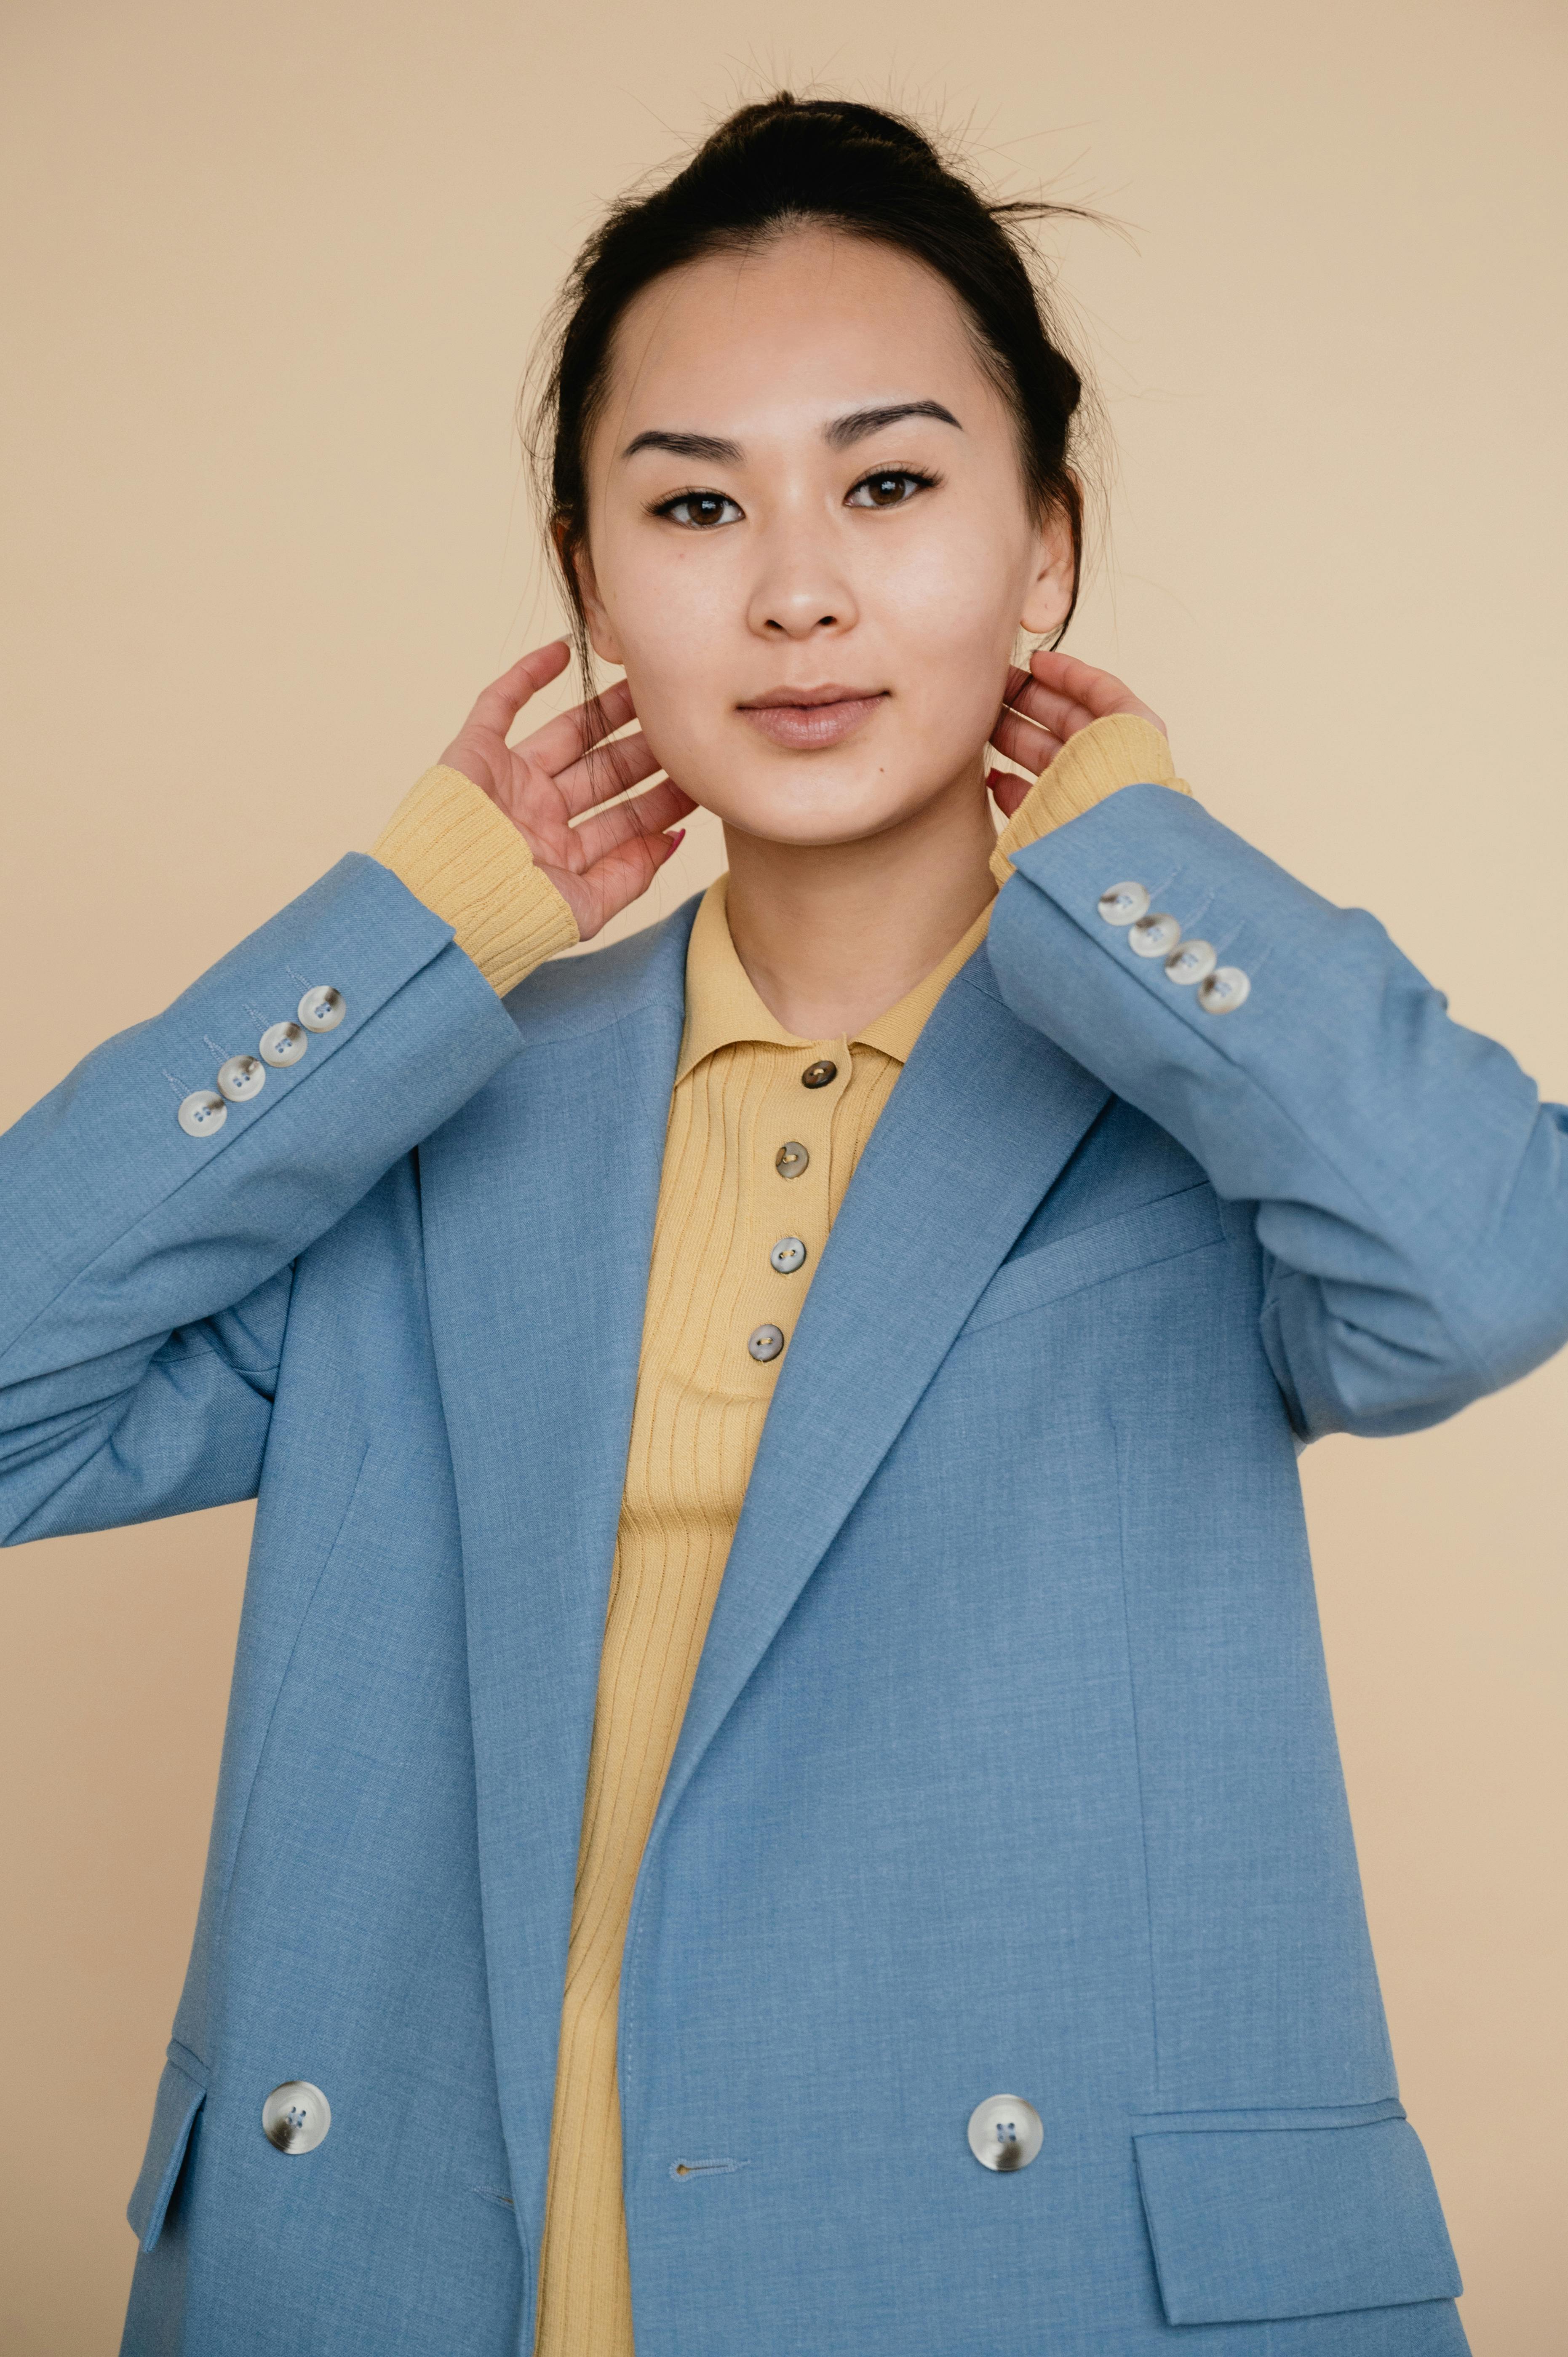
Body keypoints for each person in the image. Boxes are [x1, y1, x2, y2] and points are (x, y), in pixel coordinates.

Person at [3, 92, 1563, 2357]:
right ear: (589, 578)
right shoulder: (439, 1113)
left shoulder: (1209, 1103)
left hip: (1020, 2298)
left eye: (895, 483)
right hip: (435, 2281)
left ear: (1046, 552)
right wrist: (419, 931)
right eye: (697, 503)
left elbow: (1491, 1265)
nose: (799, 586)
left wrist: (1146, 872)